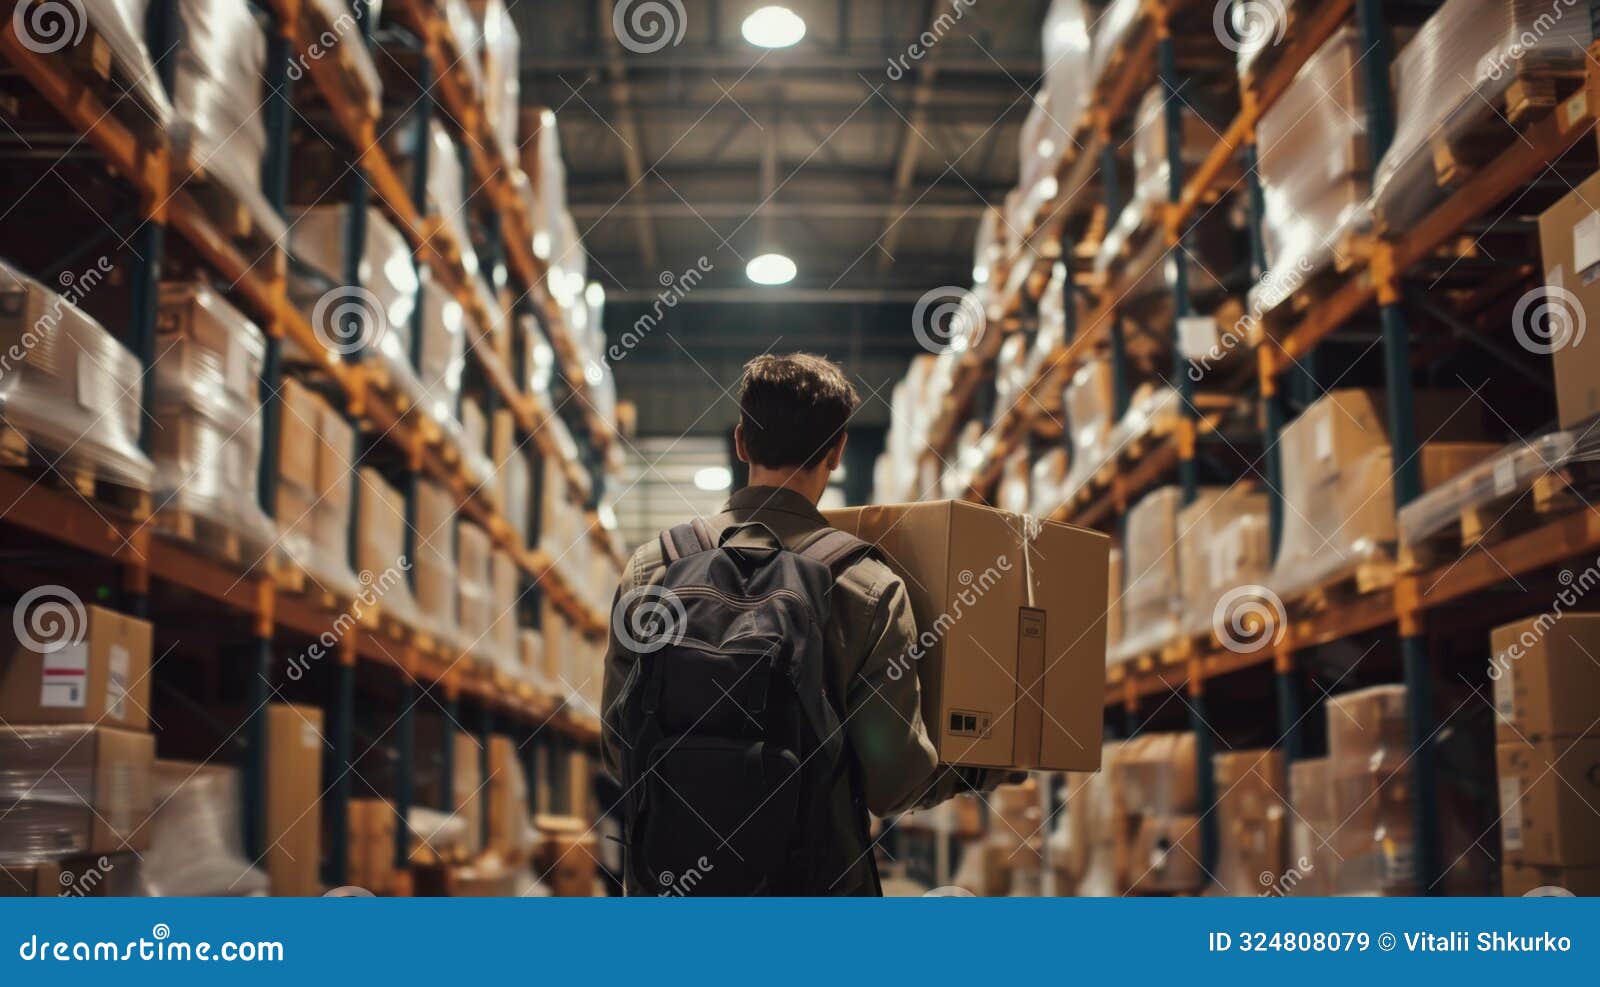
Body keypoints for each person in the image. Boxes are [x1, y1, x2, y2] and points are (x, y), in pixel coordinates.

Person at [601, 352, 1012, 896]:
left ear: (741, 441)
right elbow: (893, 782)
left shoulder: (651, 568)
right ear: (838, 451)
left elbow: (617, 748)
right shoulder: (866, 585)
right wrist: (984, 769)